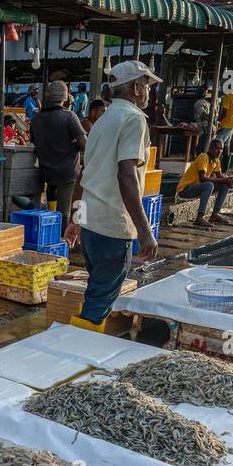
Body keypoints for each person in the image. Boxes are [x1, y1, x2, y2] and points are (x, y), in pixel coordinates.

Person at [68, 60, 158, 327]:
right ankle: (75, 356)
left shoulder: (103, 120)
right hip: (112, 226)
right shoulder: (133, 119)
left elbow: (84, 175)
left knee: (96, 291)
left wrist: (75, 219)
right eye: (146, 84)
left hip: (91, 224)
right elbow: (126, 175)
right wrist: (144, 231)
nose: (148, 90)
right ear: (135, 88)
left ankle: (79, 348)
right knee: (100, 301)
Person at [30, 81, 87, 232]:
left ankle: (53, 234)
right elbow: (85, 144)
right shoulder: (69, 116)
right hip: (67, 173)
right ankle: (65, 240)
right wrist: (74, 144)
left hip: (47, 172)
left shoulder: (36, 118)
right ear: (66, 98)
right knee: (66, 211)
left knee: (52, 209)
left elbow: (34, 142)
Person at [177, 138, 233, 228]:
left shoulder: (216, 160)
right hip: (185, 190)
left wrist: (229, 180)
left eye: (221, 149)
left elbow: (219, 176)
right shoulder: (203, 157)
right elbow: (202, 179)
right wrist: (224, 179)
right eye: (217, 148)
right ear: (210, 148)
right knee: (209, 185)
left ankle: (215, 214)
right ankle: (199, 217)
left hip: (198, 187)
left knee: (225, 185)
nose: (220, 151)